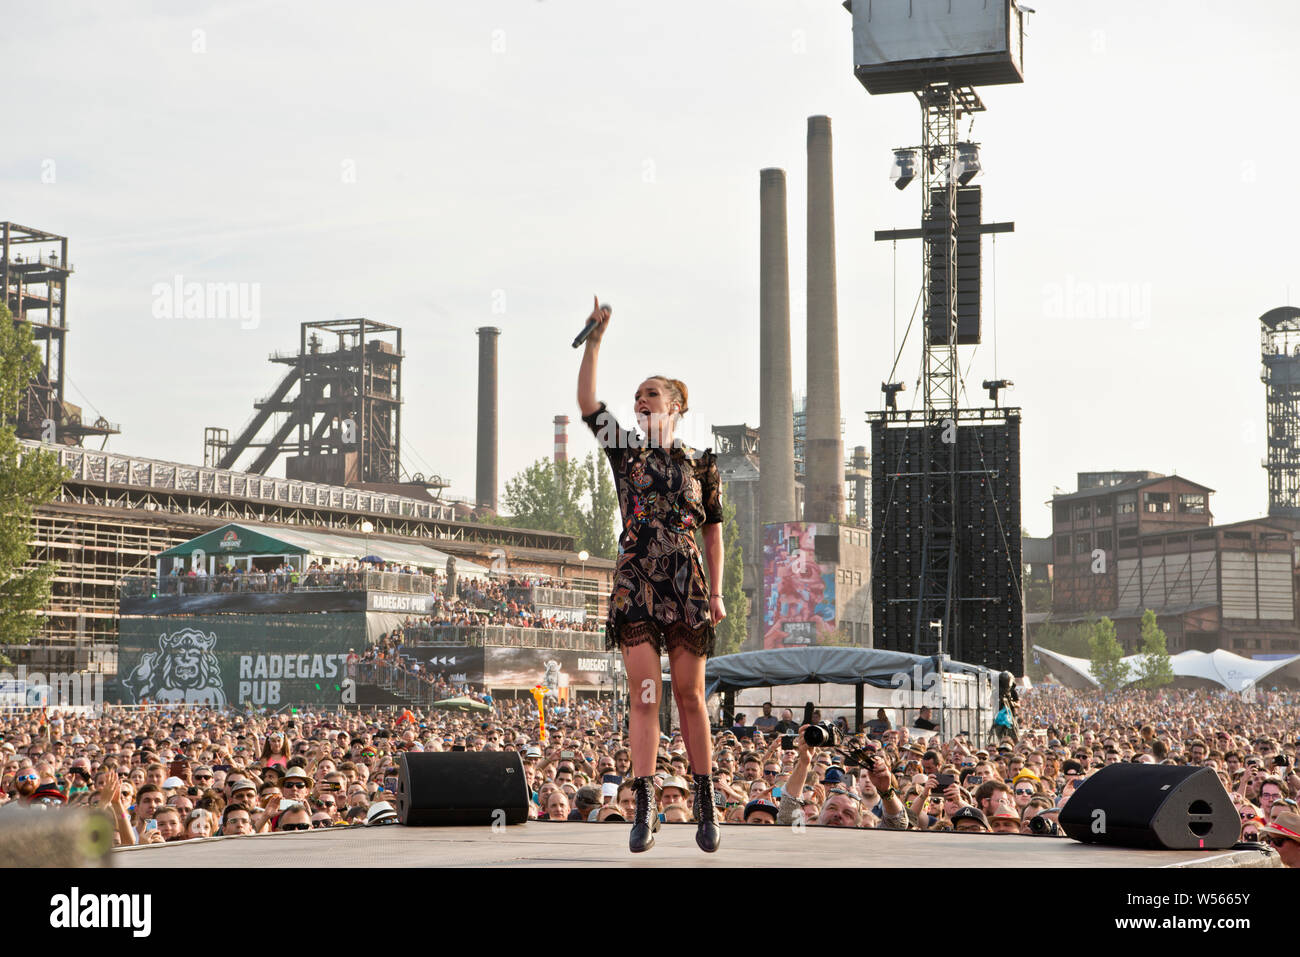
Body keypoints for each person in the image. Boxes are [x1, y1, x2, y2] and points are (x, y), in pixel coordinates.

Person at [577, 295, 726, 854]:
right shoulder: (625, 452)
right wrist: (595, 339)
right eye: (637, 395)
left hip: (687, 582)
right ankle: (644, 808)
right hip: (637, 578)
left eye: (651, 393)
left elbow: (713, 531)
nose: (640, 401)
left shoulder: (703, 464)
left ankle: (705, 804)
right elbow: (589, 402)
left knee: (688, 695)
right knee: (643, 694)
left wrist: (715, 592)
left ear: (678, 404)